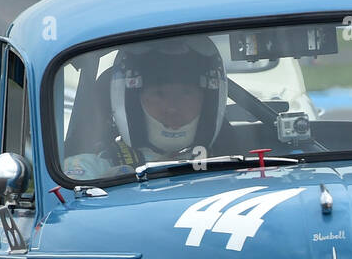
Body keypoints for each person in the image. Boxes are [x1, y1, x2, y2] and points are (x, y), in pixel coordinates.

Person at [62, 36, 232, 181]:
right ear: (133, 102)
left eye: (186, 94)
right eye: (159, 94)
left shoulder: (241, 165)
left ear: (208, 101)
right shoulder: (87, 171)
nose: (172, 108)